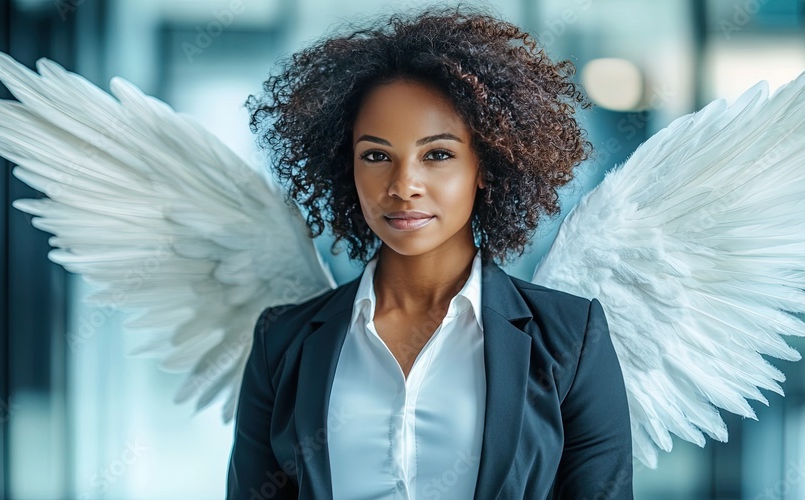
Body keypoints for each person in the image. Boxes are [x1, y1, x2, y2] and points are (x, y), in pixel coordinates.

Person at [226, 6, 633, 499]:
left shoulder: (572, 336)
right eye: (376, 156)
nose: (403, 186)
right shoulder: (282, 341)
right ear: (344, 166)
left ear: (486, 165)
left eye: (437, 155)